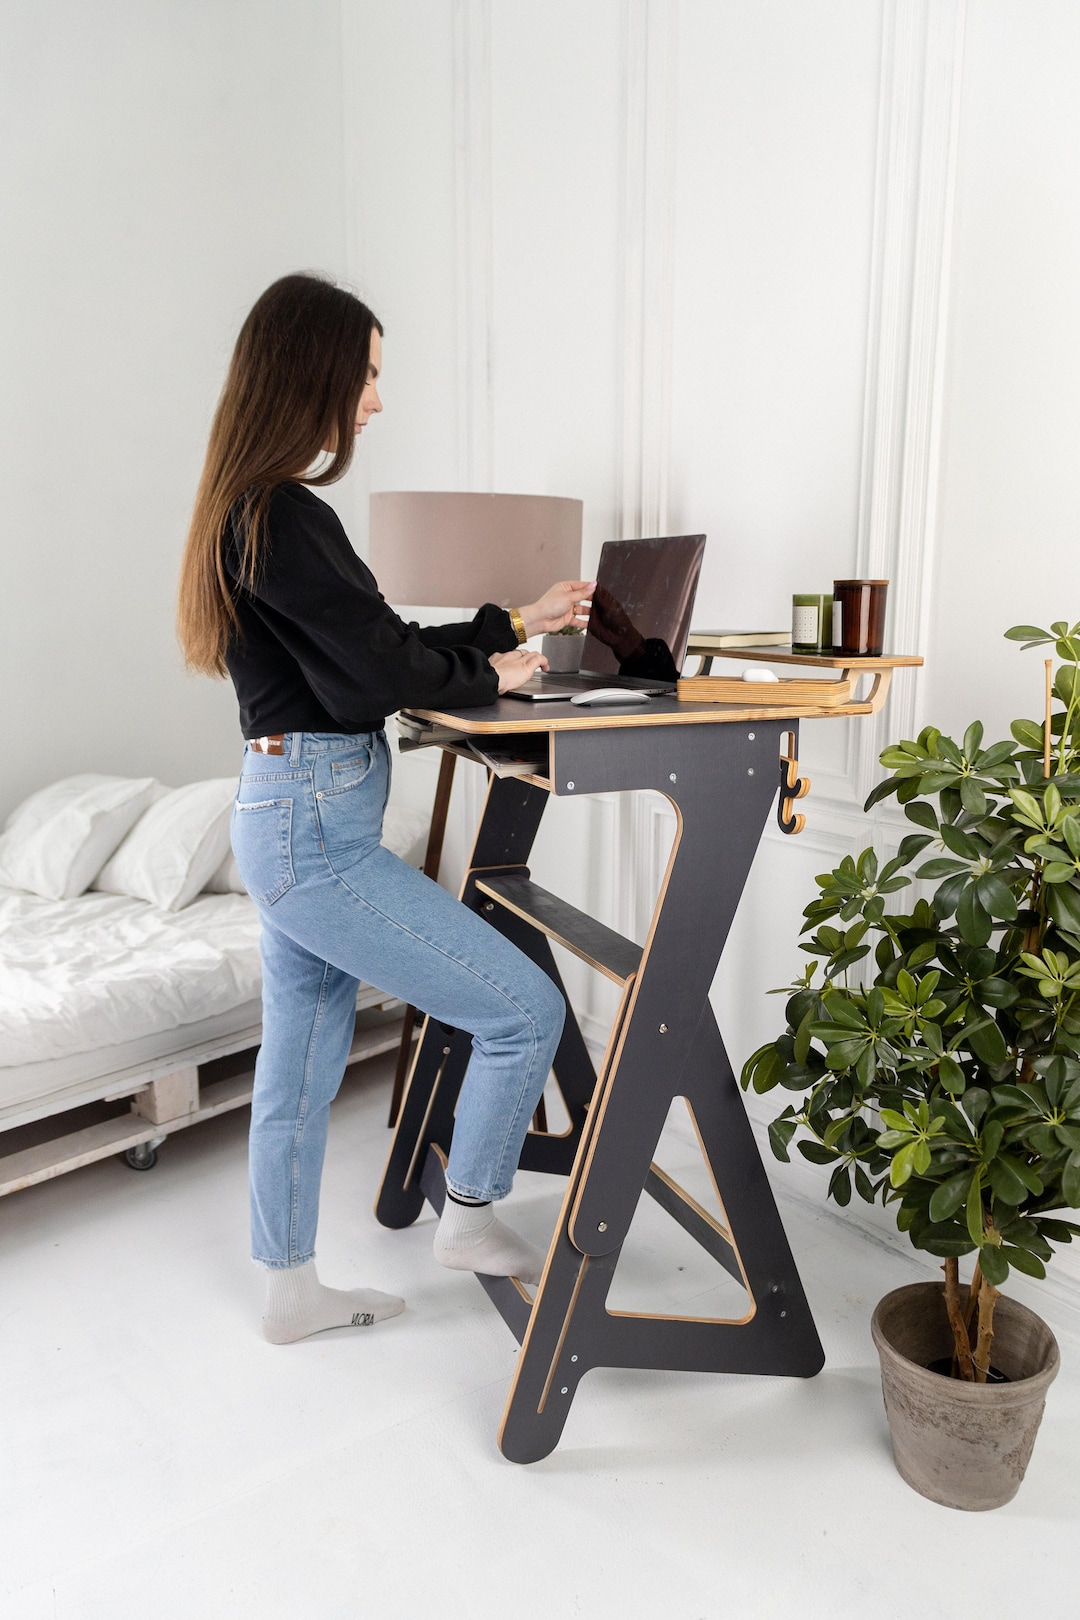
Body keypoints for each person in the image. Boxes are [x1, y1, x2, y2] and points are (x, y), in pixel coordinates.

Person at [176, 273, 592, 1344]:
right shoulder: (282, 511)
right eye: (365, 374)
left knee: (298, 1069)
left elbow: (366, 649)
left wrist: (502, 629)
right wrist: (496, 671)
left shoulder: (250, 511)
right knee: (521, 1009)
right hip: (313, 830)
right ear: (311, 369)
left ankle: (289, 1292)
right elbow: (374, 674)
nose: (373, 401)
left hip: (291, 812)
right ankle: (471, 1218)